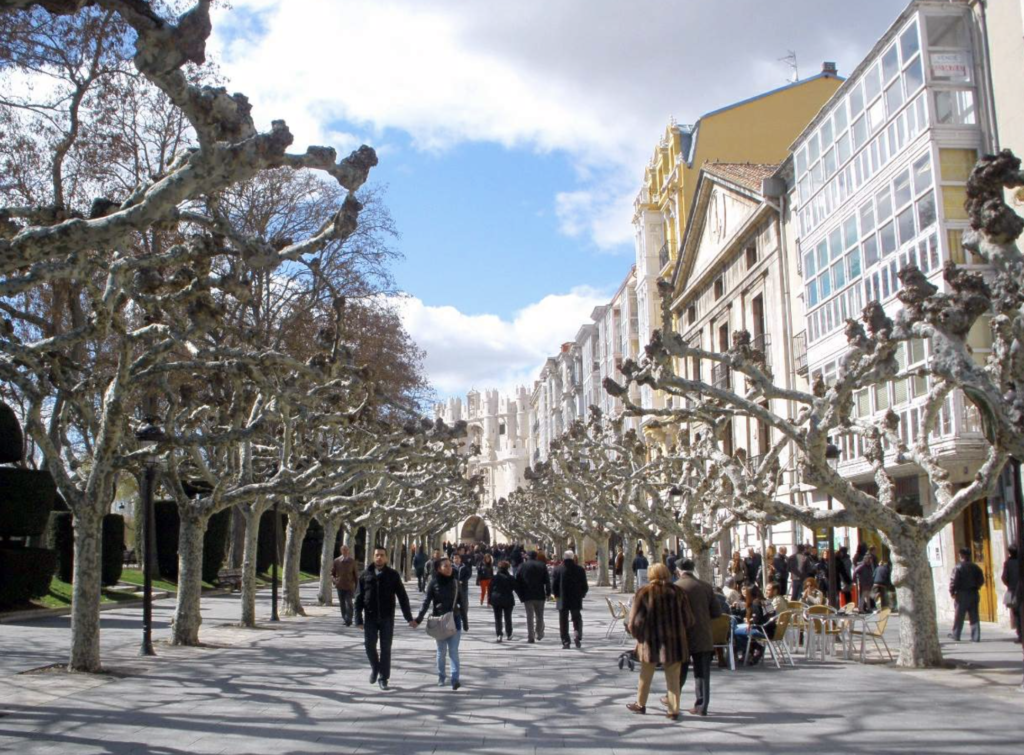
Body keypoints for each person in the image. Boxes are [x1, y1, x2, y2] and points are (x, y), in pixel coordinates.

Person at [625, 563, 694, 720]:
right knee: (673, 678)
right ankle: (673, 710)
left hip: (651, 642)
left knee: (645, 675)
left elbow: (634, 622)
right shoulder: (678, 592)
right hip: (674, 643)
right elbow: (689, 619)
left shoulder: (644, 593)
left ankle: (640, 704)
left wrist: (639, 636)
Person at [354, 547, 415, 690]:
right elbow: (358, 598)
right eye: (377, 555)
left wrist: (409, 618)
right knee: (369, 646)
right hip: (370, 617)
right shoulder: (365, 575)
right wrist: (358, 619)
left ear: (386, 558)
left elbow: (402, 597)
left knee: (385, 648)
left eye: (382, 555)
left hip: (387, 617)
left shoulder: (393, 575)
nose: (379, 558)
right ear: (373, 557)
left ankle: (383, 677)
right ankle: (375, 667)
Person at [413, 556, 468, 690]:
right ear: (439, 568)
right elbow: (426, 602)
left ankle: (455, 679)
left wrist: (465, 621)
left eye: (450, 566)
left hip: (455, 620)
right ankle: (441, 676)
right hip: (439, 622)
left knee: (453, 651)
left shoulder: (456, 583)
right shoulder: (433, 583)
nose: (449, 568)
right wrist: (419, 619)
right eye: (446, 566)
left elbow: (462, 603)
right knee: (441, 651)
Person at [676, 559, 722, 716]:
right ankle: (702, 705)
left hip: (681, 634)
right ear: (693, 569)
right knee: (702, 672)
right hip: (702, 634)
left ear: (678, 570)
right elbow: (717, 612)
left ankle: (673, 700)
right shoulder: (706, 586)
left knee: (678, 670)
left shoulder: (676, 587)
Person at [552, 550, 589, 649]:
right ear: (573, 558)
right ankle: (577, 634)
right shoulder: (580, 570)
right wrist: (581, 595)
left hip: (561, 598)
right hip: (575, 598)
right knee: (576, 618)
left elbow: (554, 586)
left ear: (564, 558)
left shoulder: (557, 570)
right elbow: (585, 586)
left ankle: (565, 641)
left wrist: (555, 596)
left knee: (563, 620)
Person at [949, 547, 985, 642]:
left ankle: (956, 634)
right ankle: (975, 636)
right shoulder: (976, 567)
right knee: (974, 615)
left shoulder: (958, 567)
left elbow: (953, 581)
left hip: (962, 593)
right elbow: (981, 580)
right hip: (973, 593)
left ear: (961, 556)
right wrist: (976, 587)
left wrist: (952, 592)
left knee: (959, 615)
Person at [515, 550, 551, 642]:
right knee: (540, 616)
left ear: (527, 557)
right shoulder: (542, 566)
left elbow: (517, 582)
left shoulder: (522, 566)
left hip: (527, 595)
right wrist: (548, 593)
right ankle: (539, 633)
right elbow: (547, 581)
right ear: (536, 557)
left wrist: (520, 595)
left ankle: (531, 636)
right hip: (539, 594)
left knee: (529, 617)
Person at [732, 584, 768, 665]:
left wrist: (748, 620)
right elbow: (770, 615)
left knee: (735, 632)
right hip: (771, 629)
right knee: (740, 632)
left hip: (761, 629)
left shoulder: (755, 603)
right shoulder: (766, 601)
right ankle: (750, 651)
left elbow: (757, 619)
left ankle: (753, 648)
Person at [330, 544, 360, 626]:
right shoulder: (336, 561)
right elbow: (332, 573)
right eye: (343, 550)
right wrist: (334, 580)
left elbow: (356, 575)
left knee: (349, 602)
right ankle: (344, 618)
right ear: (341, 551)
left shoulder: (352, 561)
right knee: (342, 603)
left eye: (346, 550)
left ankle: (349, 618)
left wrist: (357, 586)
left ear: (348, 551)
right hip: (340, 585)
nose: (345, 551)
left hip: (349, 586)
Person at [489, 560, 516, 642]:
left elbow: (490, 589)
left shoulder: (494, 577)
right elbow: (515, 587)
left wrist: (489, 599)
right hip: (508, 599)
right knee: (508, 617)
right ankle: (509, 633)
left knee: (498, 618)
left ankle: (499, 634)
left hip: (496, 599)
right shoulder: (511, 578)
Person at [1002, 545, 1021, 643]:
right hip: (1019, 589)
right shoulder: (1020, 562)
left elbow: (1004, 577)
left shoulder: (1008, 563)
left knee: (1017, 614)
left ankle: (1020, 635)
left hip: (1014, 590)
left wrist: (1009, 585)